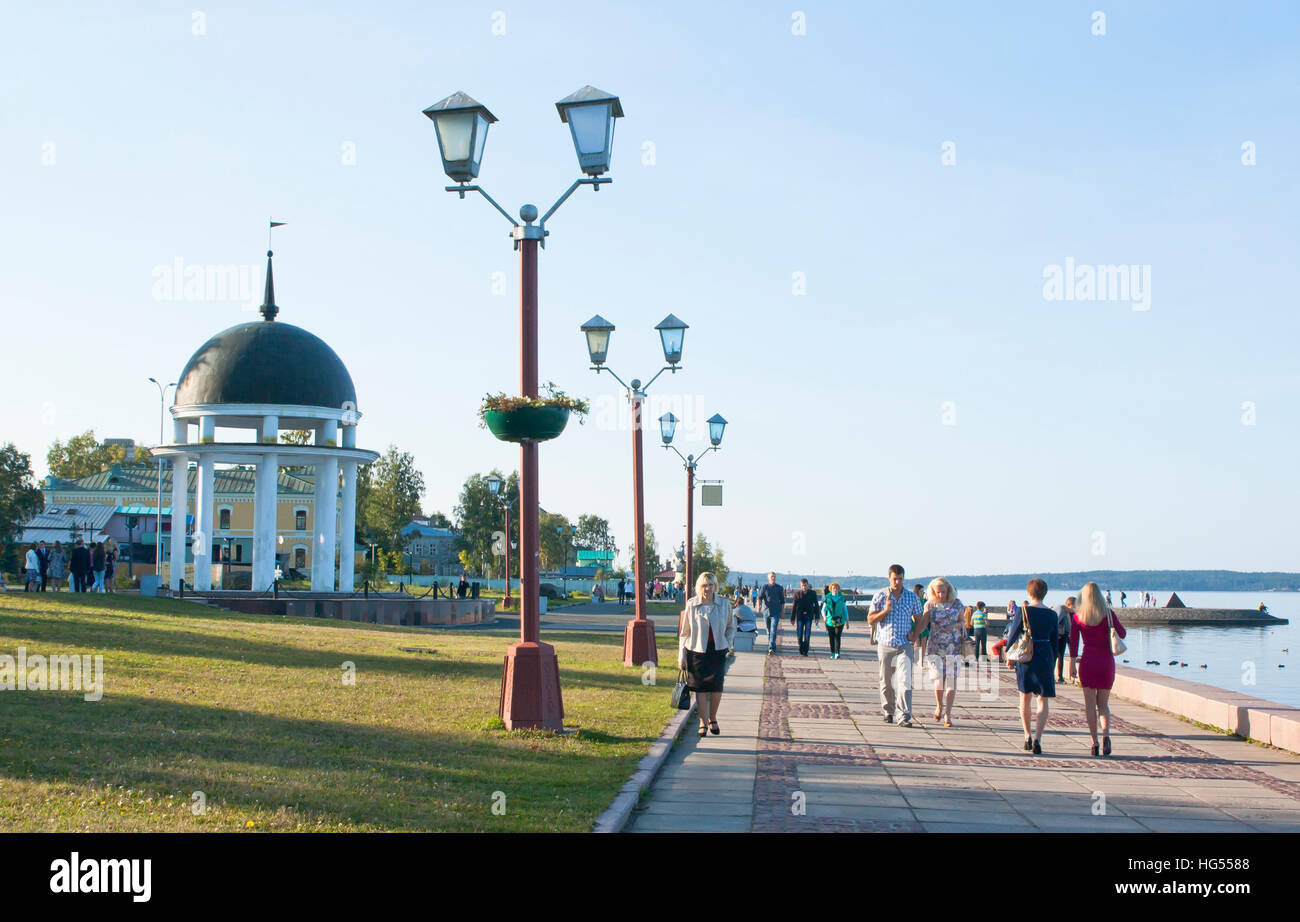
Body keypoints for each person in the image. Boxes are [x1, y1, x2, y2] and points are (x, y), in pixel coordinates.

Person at [1068, 581, 1127, 757]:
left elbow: (1073, 643)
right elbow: (1122, 634)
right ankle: (1106, 736)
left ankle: (1094, 742)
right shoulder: (1108, 614)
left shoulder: (1078, 617)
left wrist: (1071, 664)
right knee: (1103, 705)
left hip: (1087, 663)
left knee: (1089, 706)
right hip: (1106, 663)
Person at [1002, 579, 1058, 755]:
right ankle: (1038, 738)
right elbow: (1055, 641)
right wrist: (1053, 660)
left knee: (1024, 698)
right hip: (1045, 655)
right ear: (1045, 593)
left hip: (1026, 657)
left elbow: (1013, 634)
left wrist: (1009, 655)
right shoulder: (1052, 614)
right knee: (1043, 699)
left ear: (1029, 593)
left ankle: (1027, 736)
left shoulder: (1023, 610)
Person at [677, 571, 735, 738]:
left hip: (717, 650)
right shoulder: (691, 604)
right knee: (700, 688)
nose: (708, 588)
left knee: (717, 686)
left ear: (715, 586)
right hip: (696, 651)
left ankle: (713, 718)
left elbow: (731, 626)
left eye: (711, 585)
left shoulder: (724, 604)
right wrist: (681, 656)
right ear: (699, 587)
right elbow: (685, 632)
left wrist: (728, 643)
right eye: (704, 585)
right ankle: (703, 722)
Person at [868, 564, 923, 726]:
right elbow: (870, 620)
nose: (897, 582)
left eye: (900, 579)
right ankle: (888, 710)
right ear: (889, 578)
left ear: (904, 578)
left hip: (904, 644)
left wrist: (915, 635)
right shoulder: (880, 596)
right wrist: (885, 611)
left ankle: (904, 715)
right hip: (885, 643)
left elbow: (919, 620)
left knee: (905, 681)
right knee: (886, 681)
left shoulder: (912, 597)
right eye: (894, 579)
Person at [916, 577, 966, 726]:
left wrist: (955, 626)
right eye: (938, 592)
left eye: (943, 592)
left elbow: (963, 622)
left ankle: (948, 714)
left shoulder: (957, 604)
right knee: (938, 680)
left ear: (948, 591)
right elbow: (924, 623)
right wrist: (915, 635)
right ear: (933, 592)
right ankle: (939, 705)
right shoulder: (930, 605)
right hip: (936, 647)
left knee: (951, 680)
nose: (941, 595)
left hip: (953, 646)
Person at [757, 571, 786, 656]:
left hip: (776, 612)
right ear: (768, 578)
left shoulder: (779, 588)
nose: (773, 578)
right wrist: (758, 607)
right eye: (771, 577)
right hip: (766, 611)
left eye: (774, 576)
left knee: (773, 629)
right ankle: (772, 644)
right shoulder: (765, 587)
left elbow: (782, 601)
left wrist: (782, 613)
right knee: (768, 631)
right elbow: (759, 598)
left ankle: (771, 648)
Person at [790, 578, 819, 656]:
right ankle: (800, 645)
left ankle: (805, 651)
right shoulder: (797, 594)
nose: (804, 587)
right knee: (799, 633)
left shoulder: (812, 593)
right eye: (802, 586)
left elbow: (816, 605)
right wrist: (792, 618)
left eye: (805, 585)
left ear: (807, 585)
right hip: (800, 616)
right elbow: (794, 606)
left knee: (807, 634)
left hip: (809, 616)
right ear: (800, 585)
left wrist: (817, 617)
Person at [822, 581, 848, 658]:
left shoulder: (842, 598)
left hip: (840, 620)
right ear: (831, 589)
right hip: (830, 620)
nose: (835, 589)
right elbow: (823, 609)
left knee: (837, 636)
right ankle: (832, 652)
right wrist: (824, 616)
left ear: (838, 589)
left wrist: (847, 621)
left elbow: (845, 610)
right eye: (833, 588)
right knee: (831, 637)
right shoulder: (827, 598)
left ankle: (837, 653)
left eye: (836, 588)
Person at [1054, 596, 1076, 681]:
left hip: (1065, 635)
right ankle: (1053, 677)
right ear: (1068, 604)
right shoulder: (1061, 609)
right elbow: (1055, 622)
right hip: (1059, 636)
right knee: (1056, 656)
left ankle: (1060, 677)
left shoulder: (1069, 612)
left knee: (1061, 656)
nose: (1074, 609)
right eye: (1074, 606)